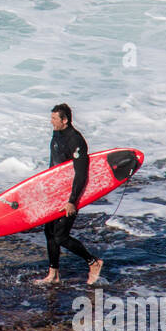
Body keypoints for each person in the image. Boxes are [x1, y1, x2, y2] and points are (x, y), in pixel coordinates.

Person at [32, 103, 103, 286]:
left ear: (65, 120)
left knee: (61, 236)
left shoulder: (76, 140)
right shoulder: (57, 133)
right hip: (55, 192)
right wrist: (46, 189)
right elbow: (55, 165)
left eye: (55, 119)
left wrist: (72, 201)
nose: (51, 121)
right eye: (52, 118)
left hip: (69, 194)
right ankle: (53, 274)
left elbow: (81, 173)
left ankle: (93, 262)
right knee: (49, 232)